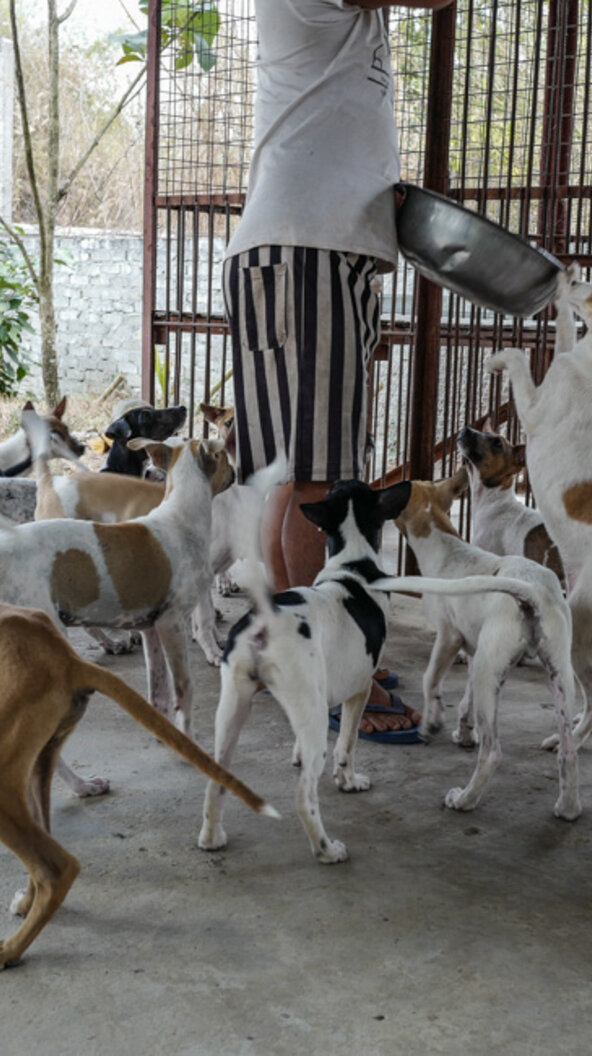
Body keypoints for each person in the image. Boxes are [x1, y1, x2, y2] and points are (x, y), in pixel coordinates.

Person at [224, 0, 454, 741]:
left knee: (291, 472)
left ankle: (278, 644)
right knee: (322, 476)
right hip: (310, 247)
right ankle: (322, 665)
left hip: (303, 243)